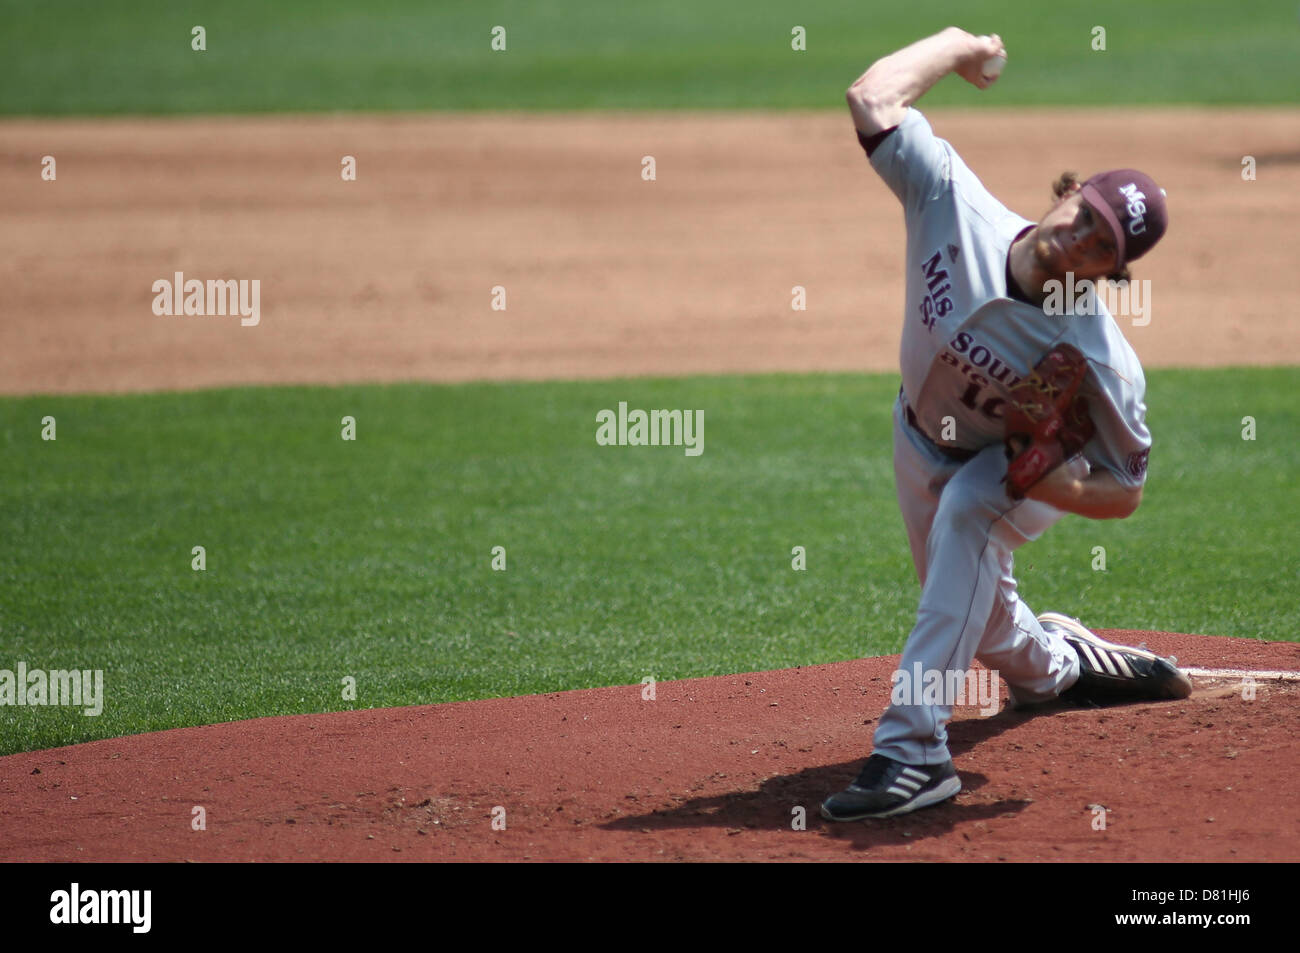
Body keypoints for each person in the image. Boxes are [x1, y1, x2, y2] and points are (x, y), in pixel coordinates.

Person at [820, 27, 1191, 822]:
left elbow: (1123, 489)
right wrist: (956, 46)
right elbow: (871, 99)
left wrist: (1056, 480)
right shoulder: (955, 201)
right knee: (973, 612)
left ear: (1110, 272)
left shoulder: (1100, 356)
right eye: (1086, 213)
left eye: (1104, 245)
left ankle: (914, 751)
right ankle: (1055, 665)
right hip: (916, 434)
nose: (1083, 237)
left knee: (969, 513)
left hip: (1010, 474)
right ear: (1069, 189)